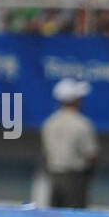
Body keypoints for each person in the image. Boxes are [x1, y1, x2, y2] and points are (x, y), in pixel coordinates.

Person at [42, 78, 98, 209]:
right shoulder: (81, 124)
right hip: (75, 177)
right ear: (74, 100)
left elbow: (45, 153)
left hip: (54, 176)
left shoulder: (49, 123)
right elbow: (91, 155)